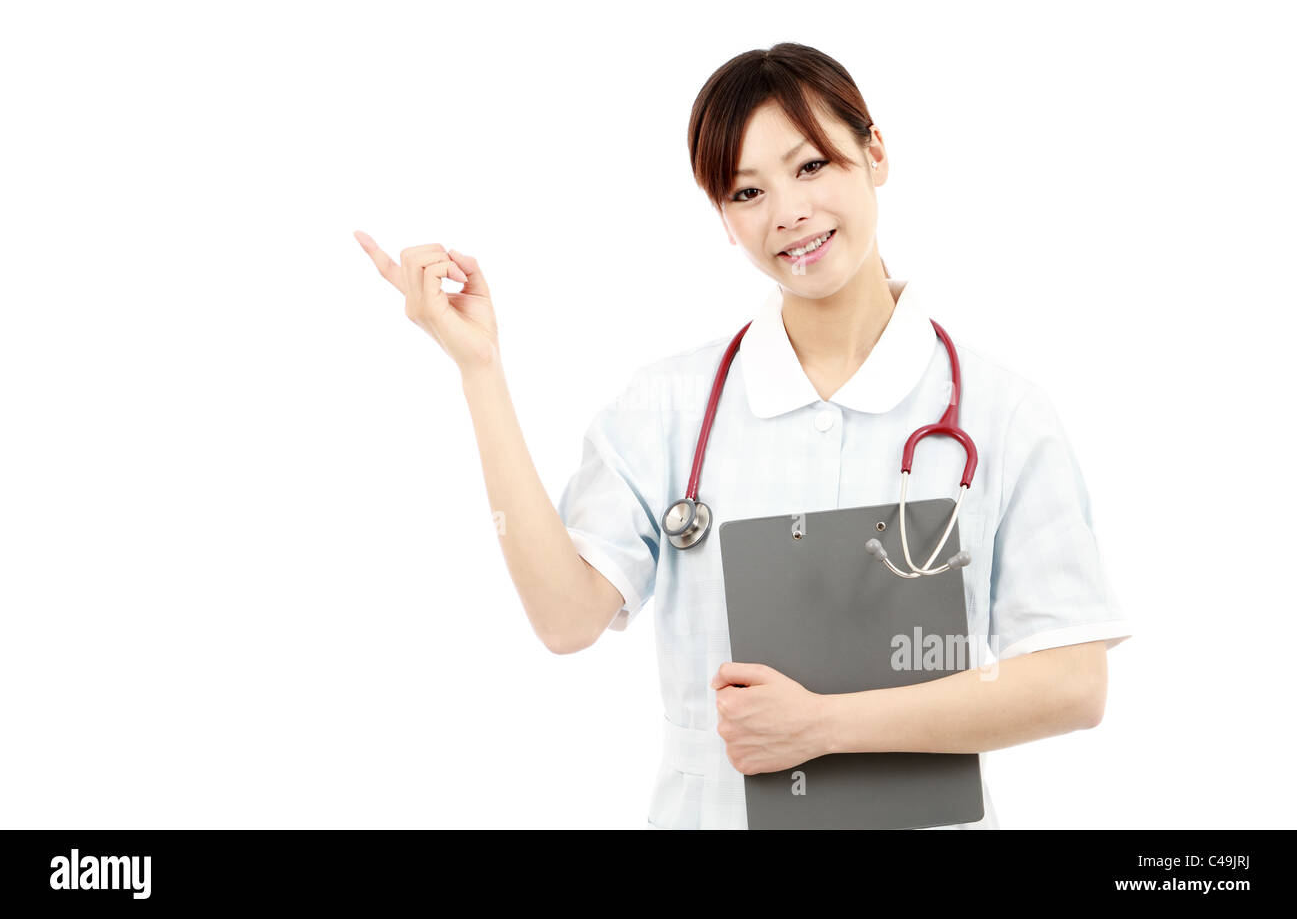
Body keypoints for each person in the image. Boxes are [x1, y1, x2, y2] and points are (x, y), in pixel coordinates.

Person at [353, 42, 1133, 830]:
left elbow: (1071, 682)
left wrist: (824, 727)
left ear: (876, 153)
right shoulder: (669, 405)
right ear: (724, 220)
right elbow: (565, 620)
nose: (787, 212)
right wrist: (480, 372)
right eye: (747, 190)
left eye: (811, 167)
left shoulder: (1002, 413)